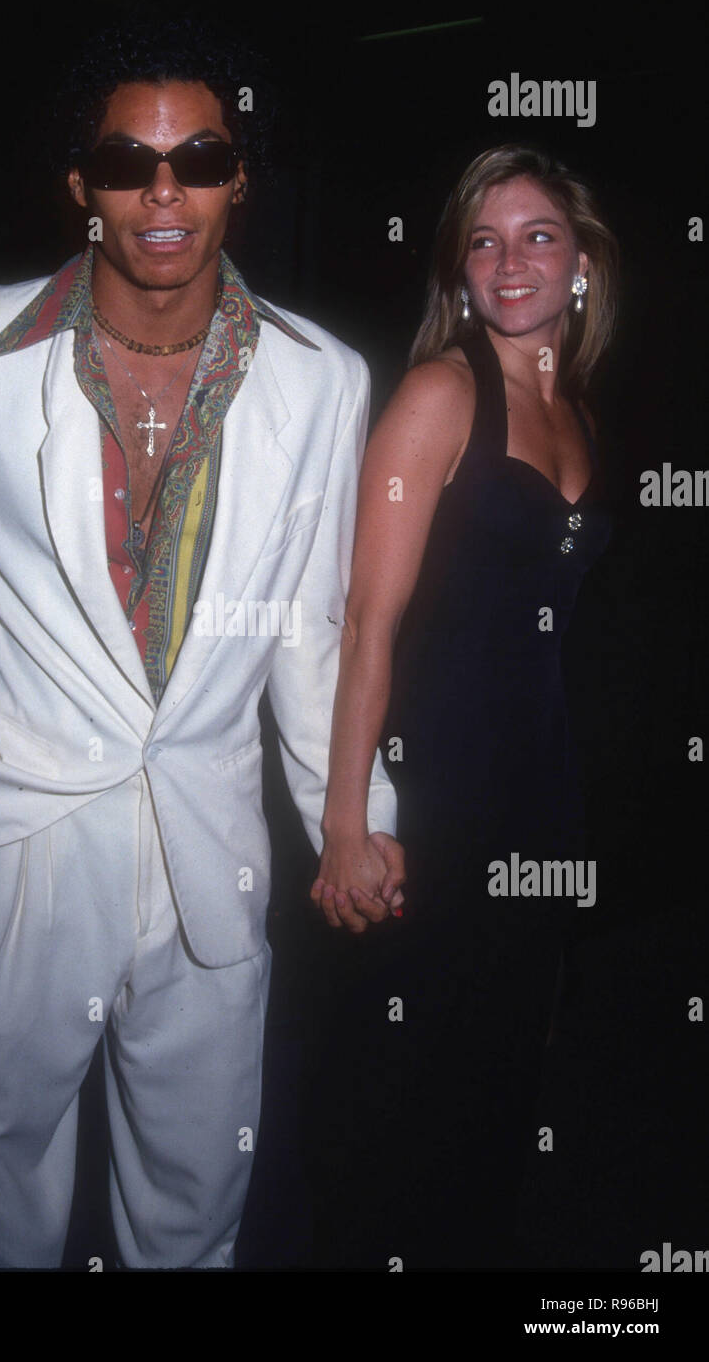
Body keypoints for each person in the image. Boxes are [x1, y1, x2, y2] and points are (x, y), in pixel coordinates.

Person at [0, 13, 404, 1270]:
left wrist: (351, 811)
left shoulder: (326, 381)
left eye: (199, 156)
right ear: (82, 184)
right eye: (129, 163)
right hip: (29, 830)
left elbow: (309, 627)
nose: (165, 190)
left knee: (195, 1202)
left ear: (241, 176)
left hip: (216, 847)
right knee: (0, 1182)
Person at [310, 144, 618, 1268]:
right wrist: (347, 824)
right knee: (413, 1109)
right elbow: (365, 622)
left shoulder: (577, 404)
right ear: (459, 271)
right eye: (483, 242)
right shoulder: (444, 391)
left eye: (538, 235)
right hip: (438, 803)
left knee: (506, 1101)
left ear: (581, 262)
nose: (510, 260)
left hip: (542, 800)